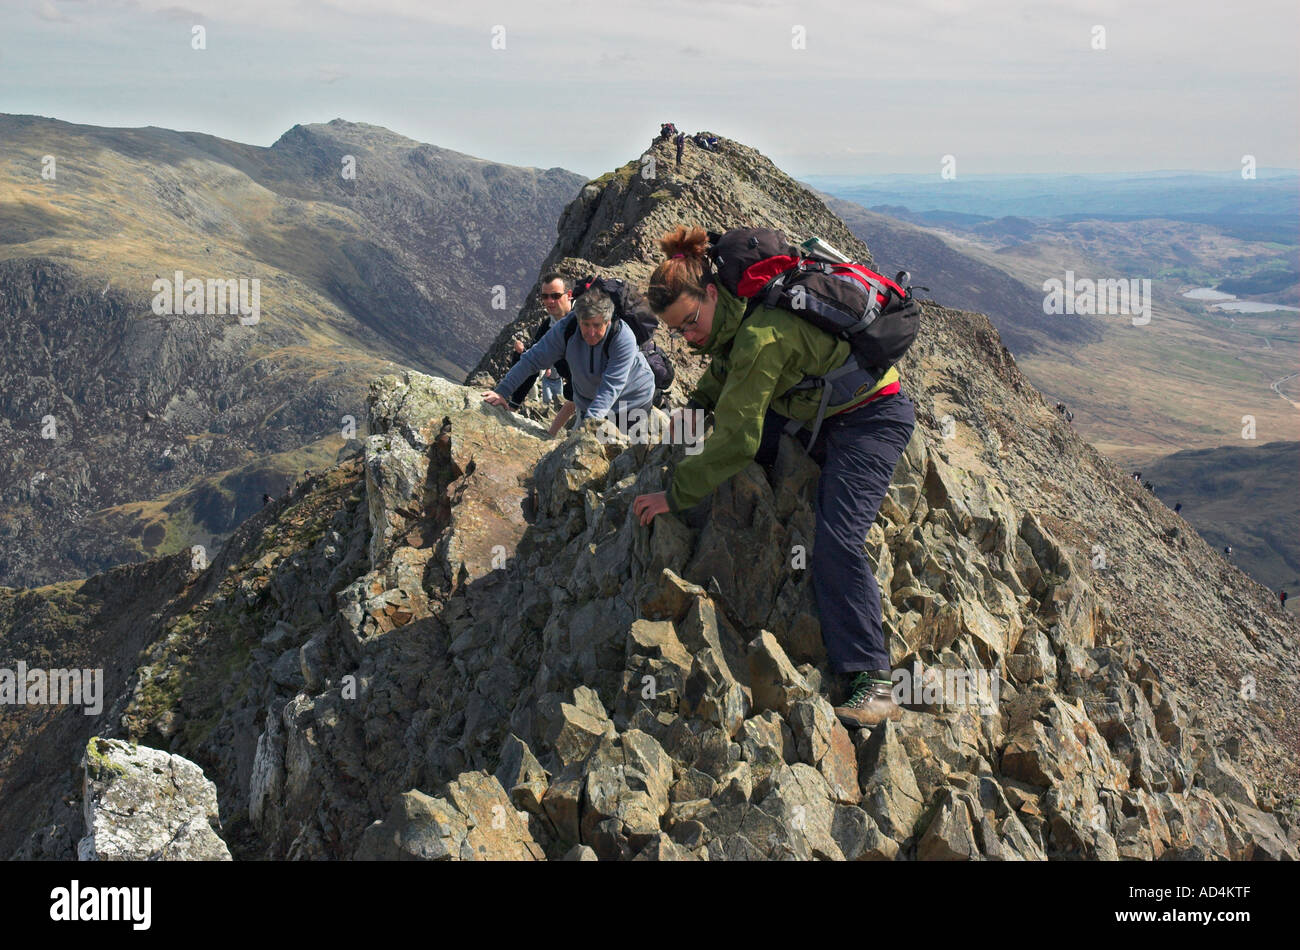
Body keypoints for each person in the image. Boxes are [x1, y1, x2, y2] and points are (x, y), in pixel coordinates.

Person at [631, 225, 916, 729]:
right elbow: (725, 369)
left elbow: (737, 437)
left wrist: (673, 495)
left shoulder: (761, 336)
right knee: (748, 453)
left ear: (713, 293)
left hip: (872, 418)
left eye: (690, 322)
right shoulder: (739, 319)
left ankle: (872, 679)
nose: (688, 336)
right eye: (677, 331)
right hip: (819, 411)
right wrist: (697, 407)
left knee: (837, 542)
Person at [483, 287, 656, 434]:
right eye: (585, 324)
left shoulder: (622, 338)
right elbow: (531, 360)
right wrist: (502, 392)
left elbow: (610, 387)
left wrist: (587, 427)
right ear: (578, 318)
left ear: (608, 321)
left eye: (597, 325)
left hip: (632, 402)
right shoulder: (567, 328)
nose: (590, 332)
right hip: (587, 402)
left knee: (620, 462)